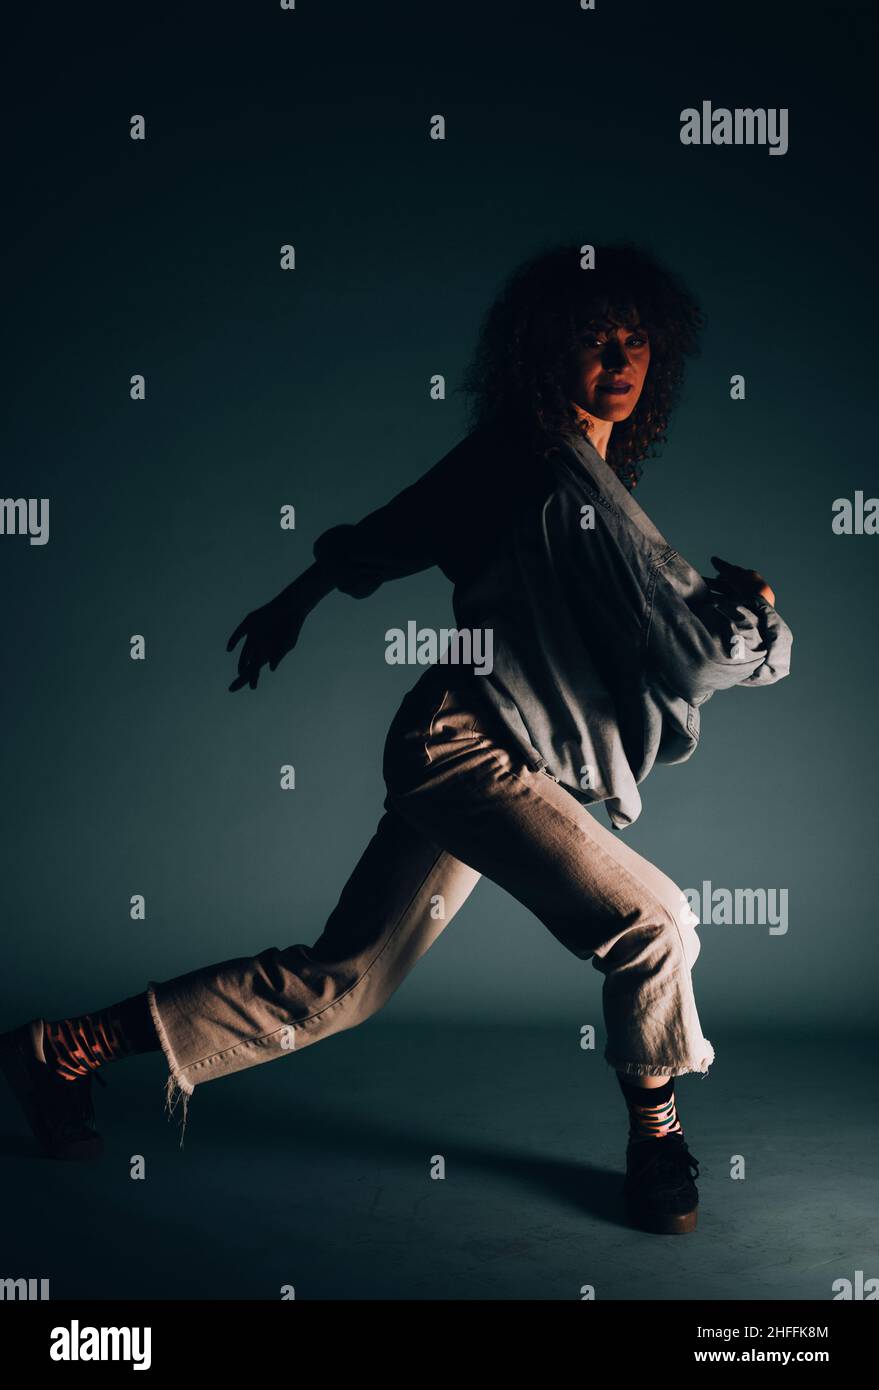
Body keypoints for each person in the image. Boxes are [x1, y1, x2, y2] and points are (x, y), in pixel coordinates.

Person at [0, 243, 792, 1236]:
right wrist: (758, 617)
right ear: (542, 348)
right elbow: (691, 646)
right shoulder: (545, 466)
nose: (621, 358)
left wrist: (299, 596)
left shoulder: (545, 464)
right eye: (595, 337)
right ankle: (658, 1139)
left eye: (637, 340)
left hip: (477, 751)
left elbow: (391, 533)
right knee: (658, 922)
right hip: (468, 750)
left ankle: (61, 1046)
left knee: (340, 983)